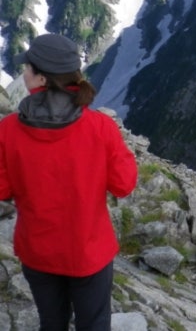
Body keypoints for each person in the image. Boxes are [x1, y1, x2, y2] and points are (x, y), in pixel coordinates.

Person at [0, 34, 138, 331]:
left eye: (27, 67)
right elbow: (124, 184)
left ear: (40, 79)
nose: (23, 72)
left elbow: (2, 188)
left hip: (37, 251)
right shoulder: (101, 127)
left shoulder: (8, 130)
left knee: (52, 323)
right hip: (89, 251)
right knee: (94, 324)